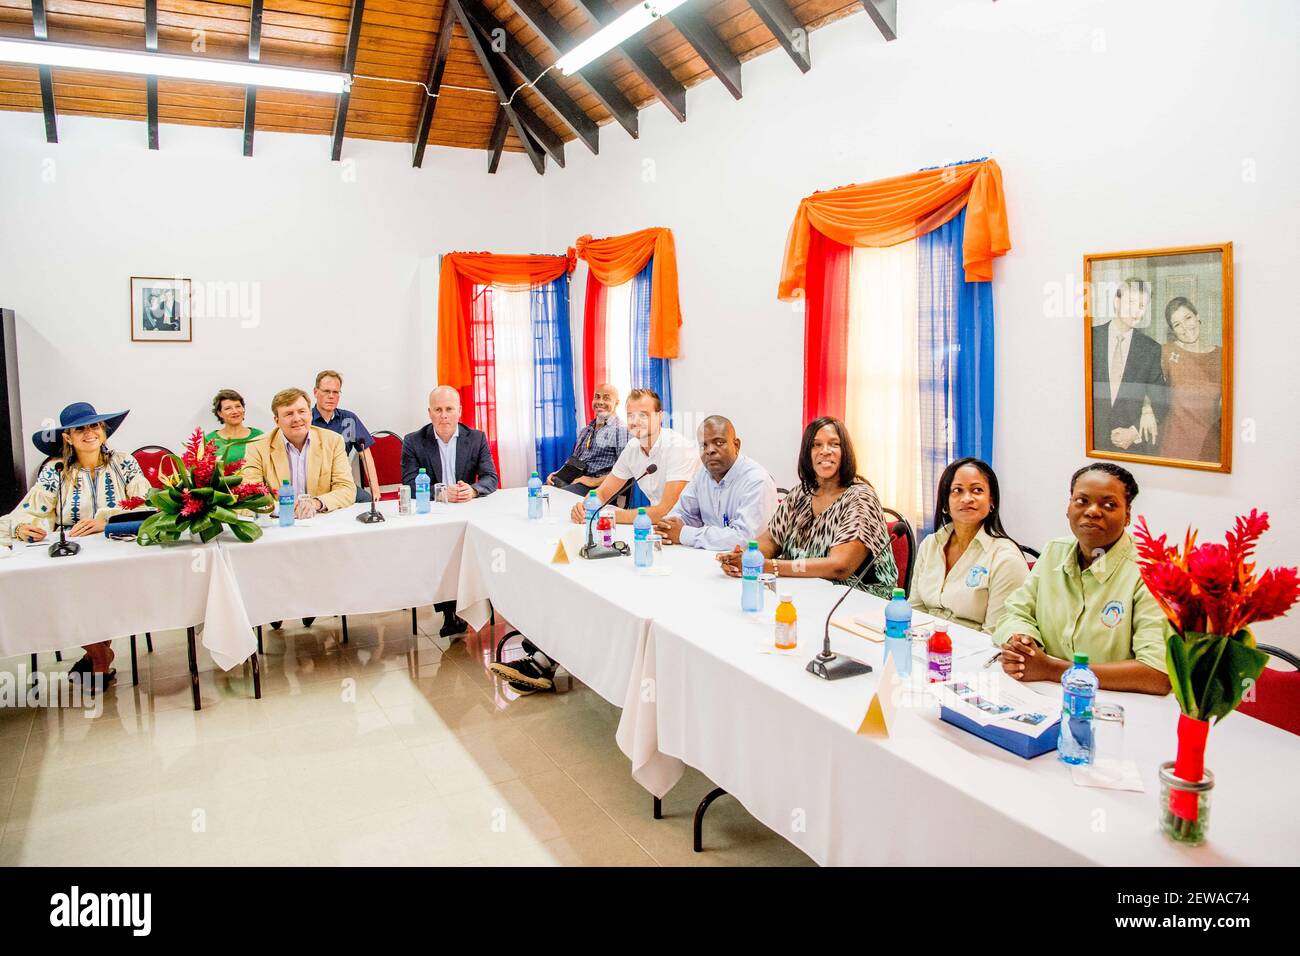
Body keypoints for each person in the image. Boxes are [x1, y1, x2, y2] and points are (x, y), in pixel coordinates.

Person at [1, 402, 153, 685]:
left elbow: (148, 506)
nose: (89, 433)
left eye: (94, 426)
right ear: (67, 437)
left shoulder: (124, 463)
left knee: (108, 591)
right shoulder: (55, 470)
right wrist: (23, 526)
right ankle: (98, 655)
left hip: (117, 546)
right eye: (79, 429)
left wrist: (106, 522)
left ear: (104, 432)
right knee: (56, 597)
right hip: (72, 552)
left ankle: (94, 660)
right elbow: (27, 510)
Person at [993, 463, 1172, 695]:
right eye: (1082, 501)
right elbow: (1014, 612)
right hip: (1043, 694)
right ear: (1068, 508)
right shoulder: (1054, 551)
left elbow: (1156, 675)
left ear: (1127, 516)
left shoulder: (1150, 571)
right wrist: (1024, 643)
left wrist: (1052, 669)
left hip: (1117, 704)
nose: (1092, 511)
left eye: (1109, 505)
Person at [718, 417, 898, 599]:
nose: (825, 451)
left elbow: (839, 566)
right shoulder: (800, 494)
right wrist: (746, 557)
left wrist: (770, 566)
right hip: (807, 592)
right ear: (807, 453)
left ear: (845, 452)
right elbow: (771, 540)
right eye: (816, 445)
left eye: (834, 444)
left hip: (859, 601)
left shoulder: (860, 498)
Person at [401, 385, 498, 637]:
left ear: (459, 412)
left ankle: (474, 601)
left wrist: (473, 490)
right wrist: (441, 493)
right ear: (429, 412)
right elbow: (410, 483)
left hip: (468, 511)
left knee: (471, 547)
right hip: (433, 511)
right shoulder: (413, 440)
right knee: (438, 550)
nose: (444, 415)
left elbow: (490, 478)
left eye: (449, 409)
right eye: (438, 410)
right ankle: (449, 611)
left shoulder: (475, 438)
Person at [907, 457, 1029, 634]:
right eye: (957, 490)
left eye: (977, 490)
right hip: (926, 646)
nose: (967, 498)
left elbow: (996, 635)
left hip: (975, 654)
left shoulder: (1006, 558)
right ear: (945, 503)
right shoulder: (930, 545)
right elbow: (916, 611)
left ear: (991, 501)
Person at [566, 388, 697, 525]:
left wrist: (607, 516)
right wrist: (584, 508)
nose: (635, 421)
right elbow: (603, 493)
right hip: (658, 527)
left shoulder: (678, 447)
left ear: (659, 417)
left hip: (689, 528)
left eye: (643, 415)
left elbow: (665, 511)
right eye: (631, 415)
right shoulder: (632, 447)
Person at [655, 415, 778, 551]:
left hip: (748, 566)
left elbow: (744, 539)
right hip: (706, 558)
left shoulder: (757, 480)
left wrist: (683, 534)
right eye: (703, 445)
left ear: (736, 445)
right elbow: (683, 514)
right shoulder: (702, 474)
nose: (709, 450)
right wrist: (668, 526)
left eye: (719, 443)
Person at [242, 387, 356, 517]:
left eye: (302, 411)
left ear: (311, 415)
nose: (297, 418)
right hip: (279, 522)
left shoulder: (333, 441)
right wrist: (286, 509)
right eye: (289, 414)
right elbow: (248, 495)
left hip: (321, 519)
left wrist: (315, 503)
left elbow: (346, 489)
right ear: (276, 421)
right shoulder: (257, 446)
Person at [1091, 278, 1167, 454]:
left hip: (1129, 449)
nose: (1137, 311)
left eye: (1142, 305)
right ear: (1117, 302)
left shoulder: (1150, 348)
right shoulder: (1090, 337)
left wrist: (1134, 432)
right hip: (1087, 444)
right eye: (1131, 302)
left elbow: (1161, 400)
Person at [1157, 297, 1222, 462]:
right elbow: (1146, 387)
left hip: (1210, 445)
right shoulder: (1166, 352)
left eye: (1188, 318)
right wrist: (1146, 411)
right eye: (1177, 324)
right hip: (1174, 445)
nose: (1186, 327)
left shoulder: (1222, 355)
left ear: (1197, 316)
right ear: (1173, 330)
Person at [547, 383, 628, 496]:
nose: (600, 402)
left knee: (558, 497)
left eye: (606, 398)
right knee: (544, 494)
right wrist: (558, 474)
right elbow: (575, 460)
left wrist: (592, 481)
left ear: (617, 403)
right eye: (597, 397)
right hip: (576, 480)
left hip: (599, 488)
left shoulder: (621, 431)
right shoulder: (586, 430)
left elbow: (626, 472)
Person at [312, 370, 380, 503]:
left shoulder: (349, 419)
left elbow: (366, 456)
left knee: (366, 501)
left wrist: (375, 490)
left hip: (342, 483)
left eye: (336, 392)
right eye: (326, 391)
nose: (331, 396)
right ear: (315, 392)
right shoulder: (305, 421)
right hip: (314, 485)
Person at [205, 388, 263, 462]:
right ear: (219, 413)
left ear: (243, 409)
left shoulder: (259, 436)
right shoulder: (210, 440)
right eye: (228, 408)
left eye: (238, 406)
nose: (235, 411)